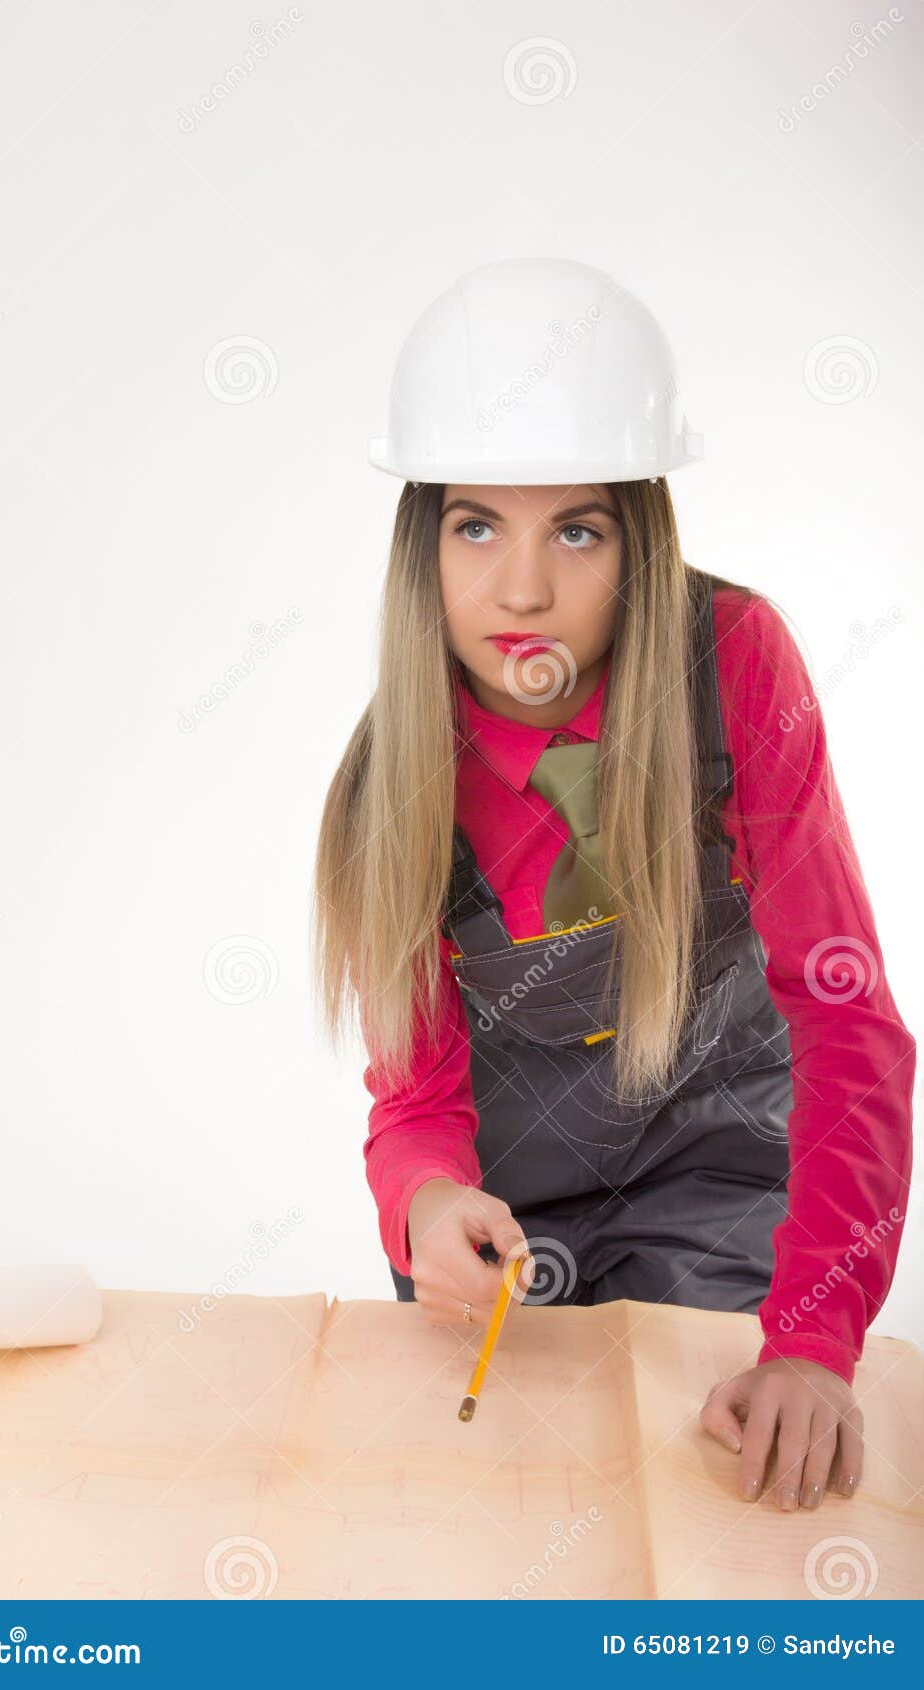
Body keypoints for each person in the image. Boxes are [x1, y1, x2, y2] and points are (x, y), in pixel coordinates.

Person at [312, 258, 914, 1514]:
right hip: (518, 1230)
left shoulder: (733, 666)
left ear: (637, 535)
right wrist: (425, 1202)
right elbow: (413, 1099)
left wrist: (811, 1339)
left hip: (725, 1176)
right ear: (419, 542)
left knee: (709, 1507)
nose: (520, 590)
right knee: (497, 1517)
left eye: (573, 529)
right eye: (475, 524)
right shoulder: (392, 788)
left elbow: (843, 1014)